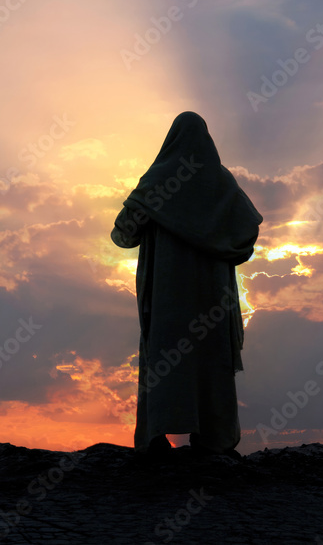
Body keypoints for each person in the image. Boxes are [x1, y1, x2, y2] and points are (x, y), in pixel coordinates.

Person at [110, 111, 262, 458]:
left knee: (166, 360)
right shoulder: (221, 184)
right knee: (210, 361)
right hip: (211, 299)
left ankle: (155, 437)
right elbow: (246, 233)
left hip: (168, 300)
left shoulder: (158, 181)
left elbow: (125, 228)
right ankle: (215, 439)